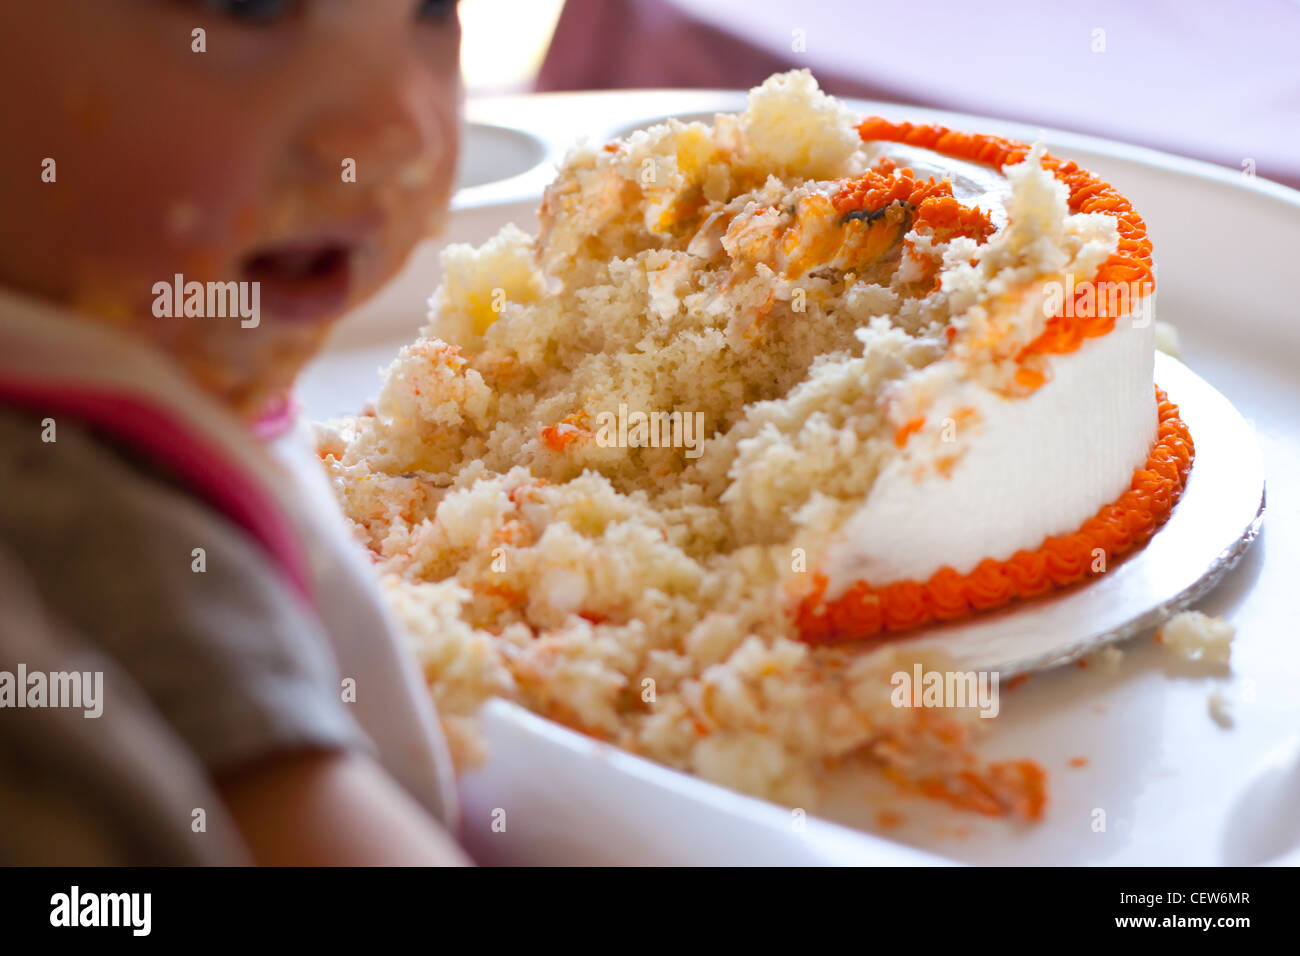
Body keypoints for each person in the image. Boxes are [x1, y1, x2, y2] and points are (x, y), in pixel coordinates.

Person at [0, 0, 469, 865]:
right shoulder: (88, 521)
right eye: (250, 7)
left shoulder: (136, 351)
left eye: (433, 9)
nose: (400, 132)